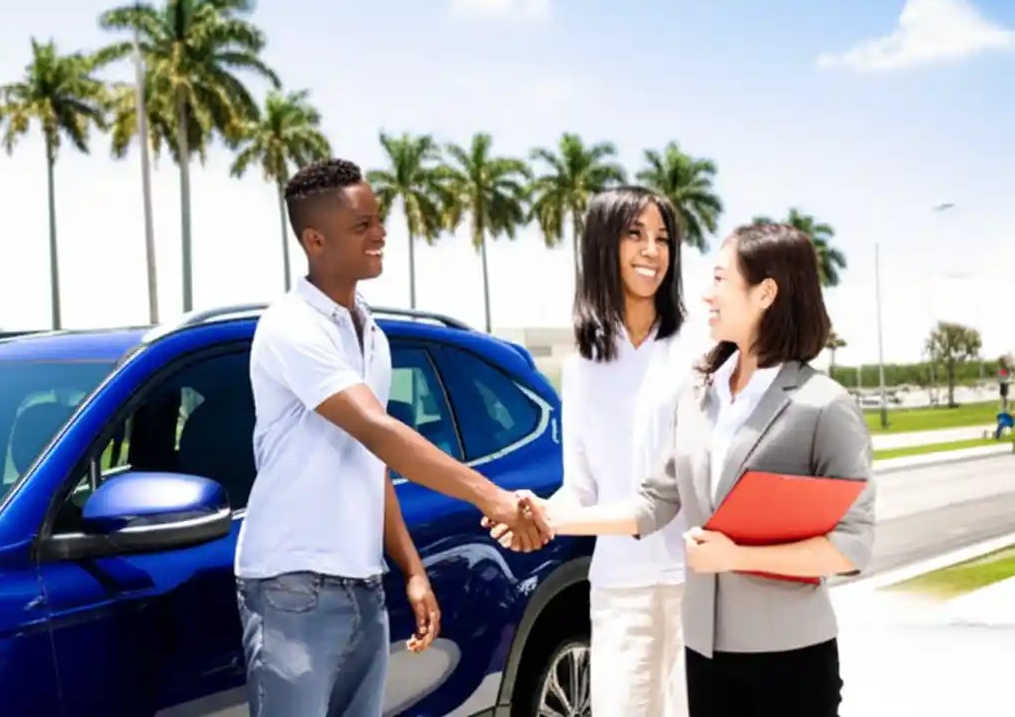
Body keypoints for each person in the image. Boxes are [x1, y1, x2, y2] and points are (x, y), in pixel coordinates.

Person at [498, 221, 876, 717]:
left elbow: (852, 547)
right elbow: (655, 502)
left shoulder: (823, 406)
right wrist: (549, 516)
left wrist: (735, 557)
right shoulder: (699, 393)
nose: (706, 295)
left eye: (720, 279)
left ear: (765, 293)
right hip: (706, 655)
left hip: (790, 657)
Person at [235, 157, 552, 717]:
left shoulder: (370, 333)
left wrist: (411, 570)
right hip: (293, 590)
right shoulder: (291, 325)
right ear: (315, 240)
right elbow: (378, 431)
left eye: (378, 220)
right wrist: (491, 496)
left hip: (363, 584)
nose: (381, 234)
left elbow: (370, 460)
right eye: (363, 226)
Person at [557, 186, 700, 716]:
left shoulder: (701, 351)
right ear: (601, 246)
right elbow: (579, 490)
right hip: (619, 590)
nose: (652, 251)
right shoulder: (581, 367)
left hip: (698, 585)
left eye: (662, 238)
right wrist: (529, 513)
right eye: (635, 234)